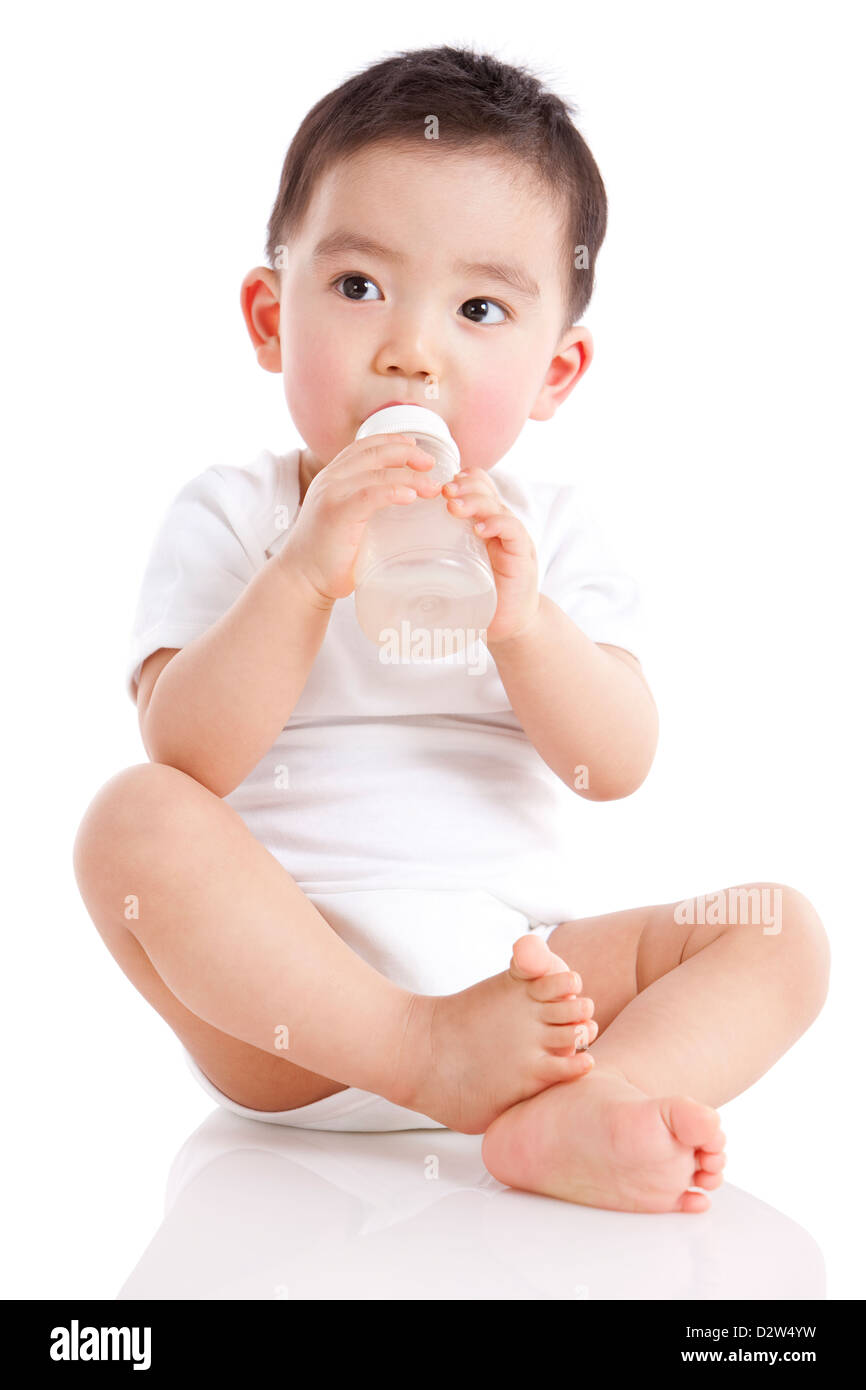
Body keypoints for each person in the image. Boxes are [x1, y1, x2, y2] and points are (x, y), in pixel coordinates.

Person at [72, 45, 829, 1213]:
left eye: (479, 308)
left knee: (779, 931)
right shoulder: (238, 513)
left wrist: (523, 624)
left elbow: (611, 765)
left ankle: (586, 1106)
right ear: (271, 316)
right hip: (303, 1014)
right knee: (131, 821)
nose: (409, 350)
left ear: (554, 372)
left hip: (523, 986)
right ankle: (427, 1056)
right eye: (360, 287)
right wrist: (299, 577)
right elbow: (192, 755)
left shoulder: (555, 538)